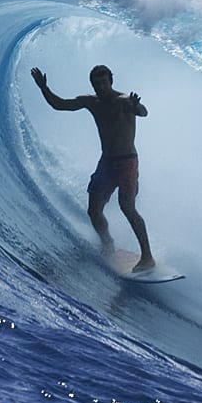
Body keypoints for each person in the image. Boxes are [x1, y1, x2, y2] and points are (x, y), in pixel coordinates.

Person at [30, 64, 155, 272]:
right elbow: (60, 105)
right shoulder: (92, 102)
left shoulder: (123, 101)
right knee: (94, 211)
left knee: (127, 207)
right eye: (97, 84)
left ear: (111, 81)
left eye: (104, 82)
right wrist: (44, 88)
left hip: (127, 163)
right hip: (106, 163)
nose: (101, 87)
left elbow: (143, 112)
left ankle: (147, 257)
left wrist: (137, 107)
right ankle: (108, 245)